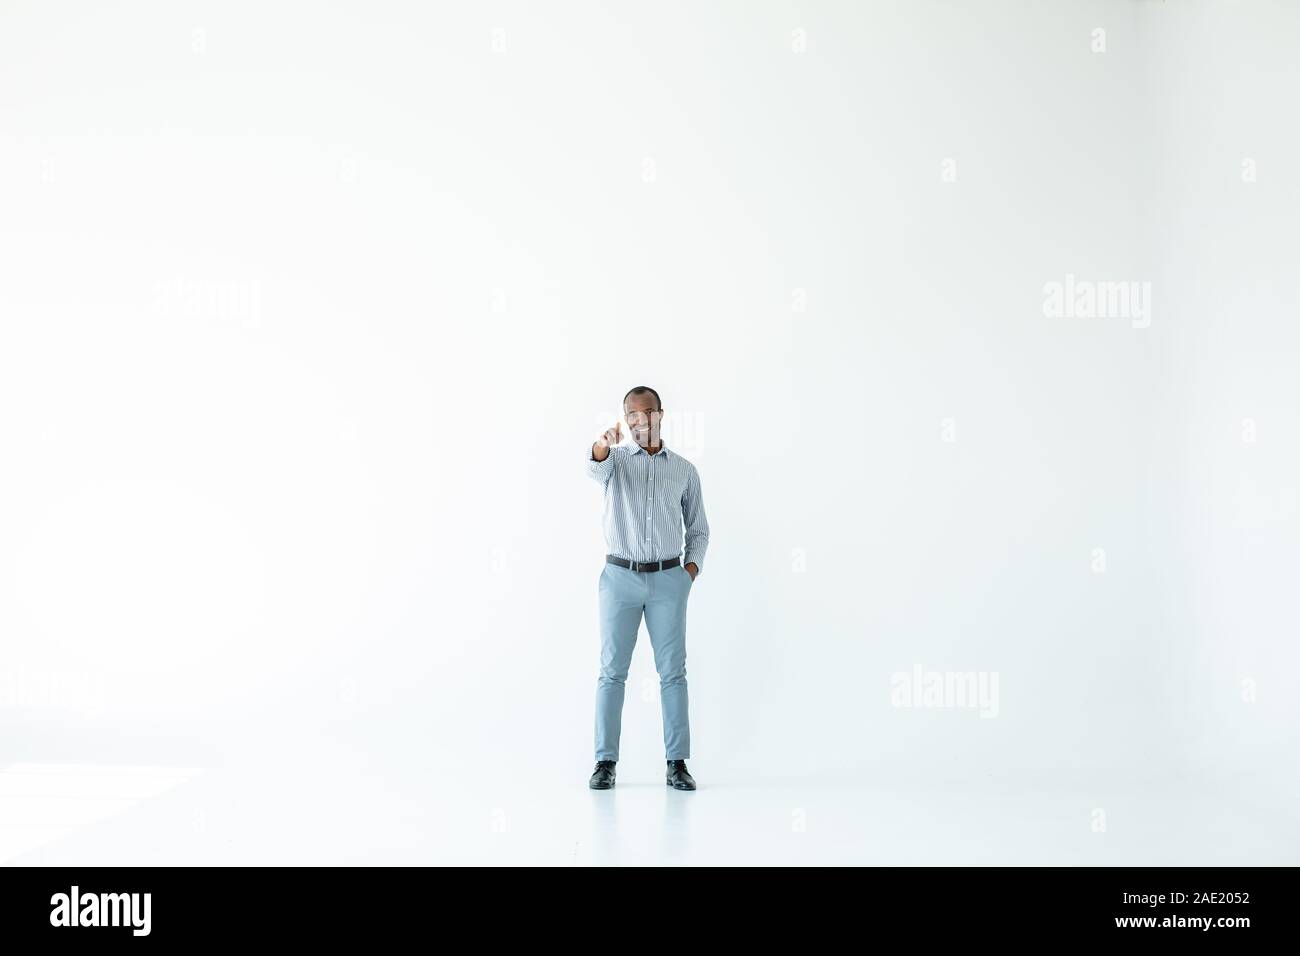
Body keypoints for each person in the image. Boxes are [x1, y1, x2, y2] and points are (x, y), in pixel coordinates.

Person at [584, 386, 709, 791]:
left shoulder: (684, 470)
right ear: (626, 419)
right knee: (611, 673)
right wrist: (602, 444)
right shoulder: (616, 461)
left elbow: (699, 530)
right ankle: (605, 762)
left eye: (648, 412)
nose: (642, 421)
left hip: (668, 581)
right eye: (633, 415)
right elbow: (594, 467)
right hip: (619, 579)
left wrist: (687, 574)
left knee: (673, 674)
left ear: (661, 414)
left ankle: (677, 763)